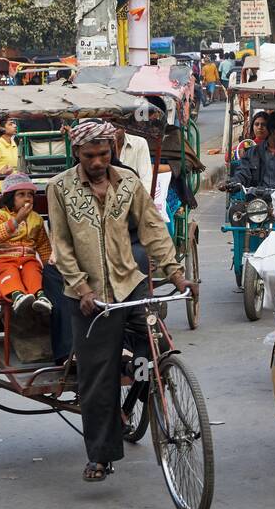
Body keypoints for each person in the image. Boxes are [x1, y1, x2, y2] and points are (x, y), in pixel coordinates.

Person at [46, 121, 196, 482]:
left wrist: (176, 274)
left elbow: (152, 229)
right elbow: (62, 246)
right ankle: (101, 455)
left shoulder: (129, 183)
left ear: (112, 149)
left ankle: (136, 398)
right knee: (97, 380)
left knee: (153, 353)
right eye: (89, 155)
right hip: (89, 298)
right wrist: (82, 289)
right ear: (77, 154)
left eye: (103, 154)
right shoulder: (60, 188)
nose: (97, 161)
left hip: (130, 286)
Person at [0, 173, 54, 320]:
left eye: (30, 194)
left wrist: (49, 266)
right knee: (9, 274)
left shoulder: (36, 218)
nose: (27, 198)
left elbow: (43, 244)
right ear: (10, 197)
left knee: (33, 272)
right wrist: (17, 220)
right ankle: (18, 297)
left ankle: (41, 297)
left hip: (28, 259)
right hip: (4, 259)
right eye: (21, 194)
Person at [113, 126, 154, 194]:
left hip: (132, 196)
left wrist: (142, 201)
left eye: (116, 126)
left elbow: (146, 178)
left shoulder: (139, 143)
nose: (114, 129)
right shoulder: (101, 144)